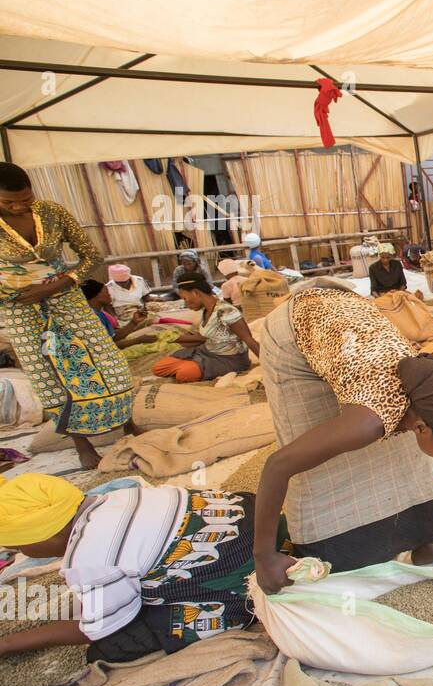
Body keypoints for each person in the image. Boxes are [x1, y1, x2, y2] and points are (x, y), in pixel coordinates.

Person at [251, 283, 433, 594]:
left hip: (354, 326)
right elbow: (278, 465)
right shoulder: (368, 421)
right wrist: (264, 556)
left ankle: (422, 545)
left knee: (412, 460)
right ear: (422, 427)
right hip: (297, 329)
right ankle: (333, 554)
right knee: (320, 463)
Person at [0, 474, 263, 663]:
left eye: (21, 547)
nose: (22, 553)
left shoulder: (87, 556)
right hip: (263, 529)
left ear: (46, 536)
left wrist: (9, 644)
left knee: (112, 646)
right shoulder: (118, 495)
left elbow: (95, 629)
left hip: (247, 574)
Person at [0, 163, 137, 468]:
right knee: (49, 374)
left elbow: (92, 256)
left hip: (66, 296)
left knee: (107, 362)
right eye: (9, 202)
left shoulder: (51, 212)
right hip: (20, 308)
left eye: (25, 198)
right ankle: (82, 446)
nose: (20, 206)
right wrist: (19, 290)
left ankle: (128, 425)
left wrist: (60, 284)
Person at [152, 272, 259, 383]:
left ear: (195, 293)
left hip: (229, 360)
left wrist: (268, 365)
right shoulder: (206, 310)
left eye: (185, 298)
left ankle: (192, 367)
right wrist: (168, 339)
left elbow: (249, 339)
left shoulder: (226, 311)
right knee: (159, 368)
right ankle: (193, 366)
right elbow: (203, 337)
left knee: (183, 374)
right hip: (206, 353)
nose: (186, 304)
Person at [80, 280, 152, 349]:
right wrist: (138, 340)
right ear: (97, 296)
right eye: (107, 292)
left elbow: (113, 337)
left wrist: (134, 322)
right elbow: (106, 346)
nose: (110, 295)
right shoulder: (90, 318)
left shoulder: (100, 314)